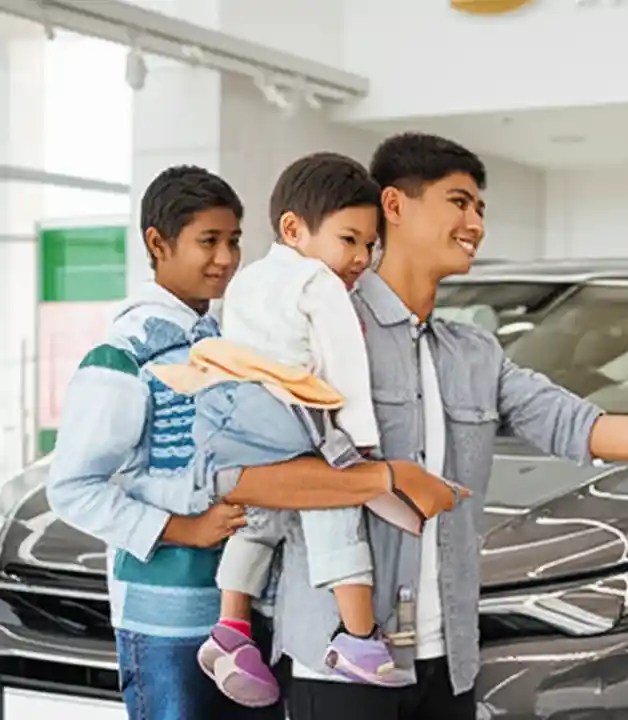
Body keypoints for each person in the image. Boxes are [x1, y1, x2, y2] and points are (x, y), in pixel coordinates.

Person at [209, 132, 628, 720]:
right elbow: (246, 472)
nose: (475, 223)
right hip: (336, 657)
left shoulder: (474, 354)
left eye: (480, 209)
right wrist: (387, 478)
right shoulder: (320, 323)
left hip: (449, 658)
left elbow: (582, 427)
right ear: (394, 205)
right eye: (459, 202)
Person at [46, 165, 456, 720]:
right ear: (158, 244)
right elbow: (73, 488)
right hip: (169, 616)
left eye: (234, 241)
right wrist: (183, 529)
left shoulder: (234, 337)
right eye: (208, 241)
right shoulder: (123, 354)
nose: (225, 258)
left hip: (249, 610)